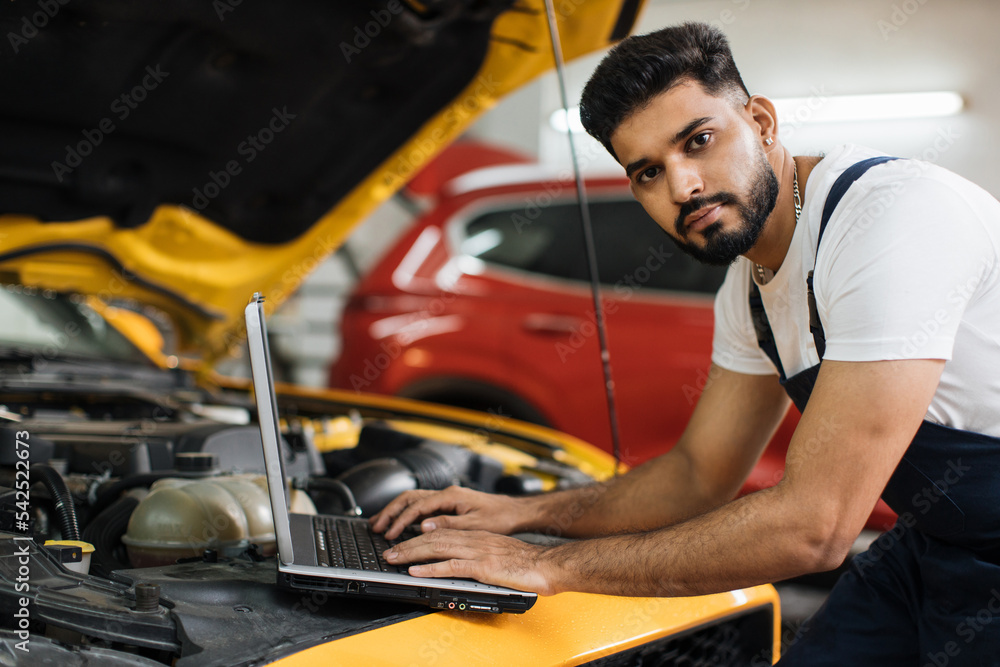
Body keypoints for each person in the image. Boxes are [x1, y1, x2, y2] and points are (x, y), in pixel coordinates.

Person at [371, 22, 1000, 665]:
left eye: (698, 141)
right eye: (648, 172)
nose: (682, 187)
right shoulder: (749, 289)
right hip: (935, 545)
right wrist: (517, 513)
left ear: (760, 121)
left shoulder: (891, 220)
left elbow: (815, 528)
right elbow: (698, 474)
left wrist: (546, 565)